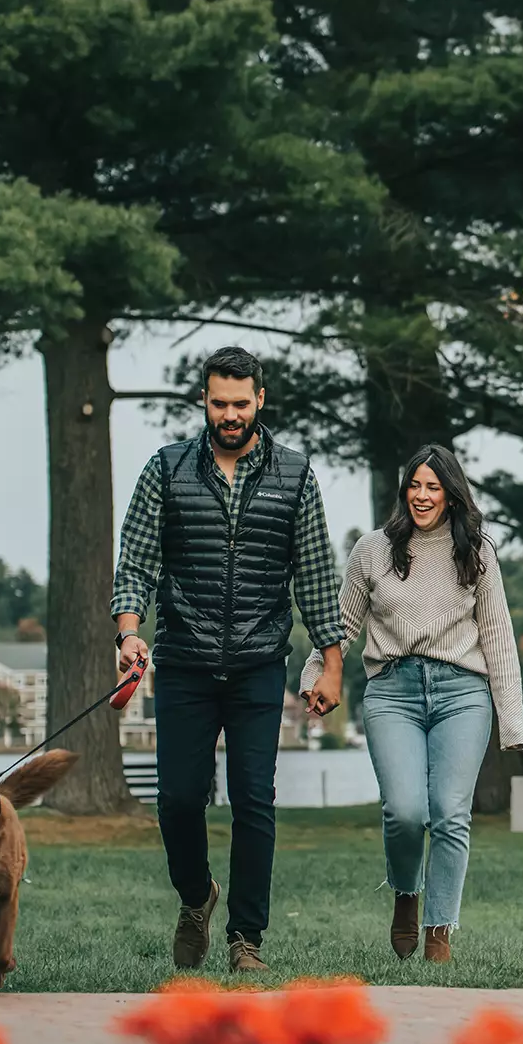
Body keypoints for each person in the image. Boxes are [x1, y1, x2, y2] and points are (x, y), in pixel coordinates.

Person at [113, 346, 345, 973]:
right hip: (184, 660)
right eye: (220, 404)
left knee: (253, 800)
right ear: (205, 402)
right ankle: (197, 897)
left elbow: (317, 576)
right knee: (179, 801)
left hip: (257, 663)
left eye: (241, 404)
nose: (230, 415)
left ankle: (247, 940)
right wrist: (129, 633)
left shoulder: (294, 475)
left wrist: (332, 662)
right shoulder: (166, 470)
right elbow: (135, 562)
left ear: (260, 401)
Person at [300, 444, 523, 964]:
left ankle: (439, 931)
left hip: (462, 694)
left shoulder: (477, 553)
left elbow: (498, 639)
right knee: (404, 812)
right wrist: (317, 674)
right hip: (392, 691)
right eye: (415, 485)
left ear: (450, 493)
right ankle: (407, 892)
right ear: (405, 490)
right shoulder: (372, 550)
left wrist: (512, 721)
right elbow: (342, 627)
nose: (422, 496)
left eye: (433, 486)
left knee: (450, 814)